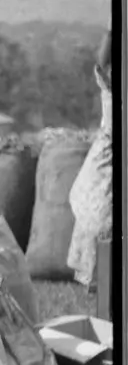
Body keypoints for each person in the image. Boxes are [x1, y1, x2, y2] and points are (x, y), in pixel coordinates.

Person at [67, 17, 113, 289]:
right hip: (107, 162)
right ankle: (97, 281)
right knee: (96, 222)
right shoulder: (110, 86)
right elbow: (101, 64)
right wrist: (110, 29)